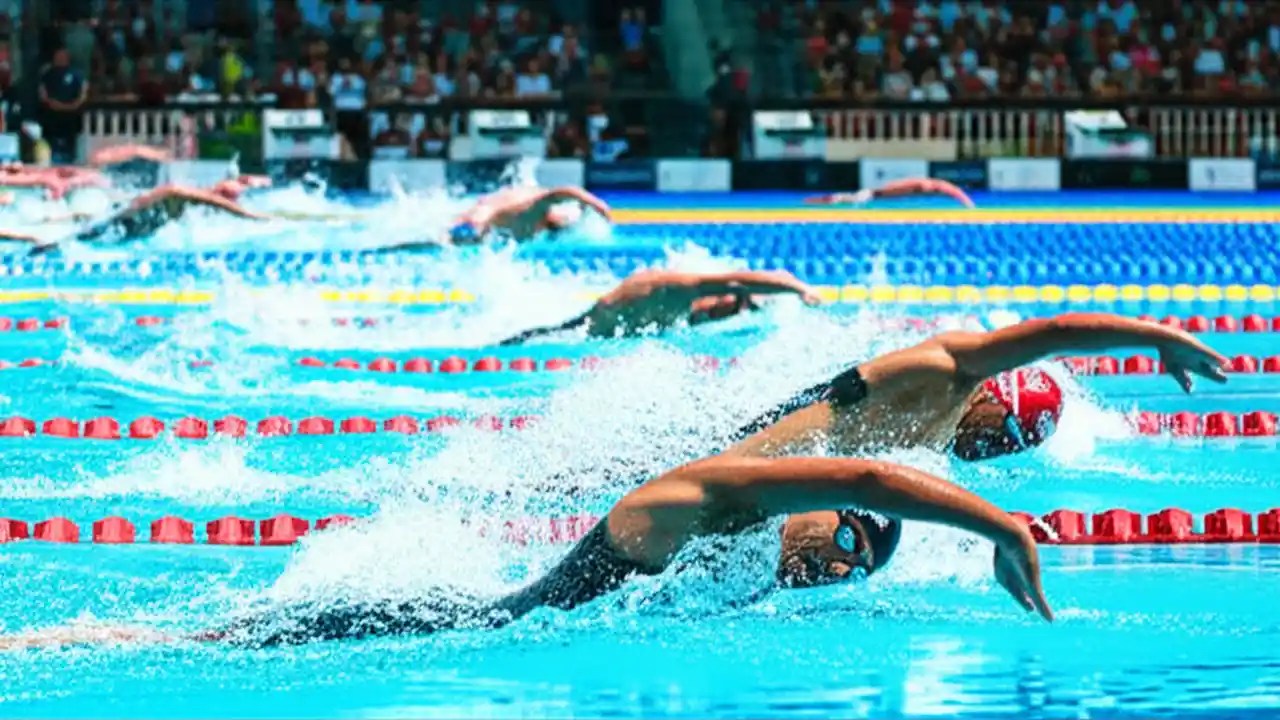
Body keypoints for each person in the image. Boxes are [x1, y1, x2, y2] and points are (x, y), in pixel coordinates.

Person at [0, 454, 1051, 650]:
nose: (842, 564)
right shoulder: (702, 499)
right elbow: (866, 478)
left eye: (862, 568)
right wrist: (998, 527)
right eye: (849, 545)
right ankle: (58, 642)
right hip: (425, 625)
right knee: (206, 646)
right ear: (815, 505)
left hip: (477, 634)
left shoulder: (762, 573)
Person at [718, 312, 1227, 463]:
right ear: (992, 397)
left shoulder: (938, 442)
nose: (999, 449)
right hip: (765, 449)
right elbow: (1055, 335)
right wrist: (1160, 338)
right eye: (1006, 432)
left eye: (1017, 446)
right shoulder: (950, 374)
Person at [499, 269, 823, 344]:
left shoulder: (694, 316)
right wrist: (799, 288)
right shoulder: (681, 288)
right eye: (738, 304)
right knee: (552, 334)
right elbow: (743, 278)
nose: (735, 312)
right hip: (600, 321)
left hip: (611, 331)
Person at [381, 185, 612, 250]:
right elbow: (561, 191)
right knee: (444, 241)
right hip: (482, 215)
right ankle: (393, 247)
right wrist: (596, 204)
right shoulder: (531, 212)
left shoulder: (538, 225)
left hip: (490, 214)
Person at [806, 177, 976, 208]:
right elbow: (885, 190)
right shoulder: (918, 184)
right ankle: (820, 200)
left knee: (847, 199)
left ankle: (823, 200)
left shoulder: (935, 185)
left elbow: (956, 192)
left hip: (877, 197)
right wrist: (969, 205)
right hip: (872, 196)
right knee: (847, 199)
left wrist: (968, 204)